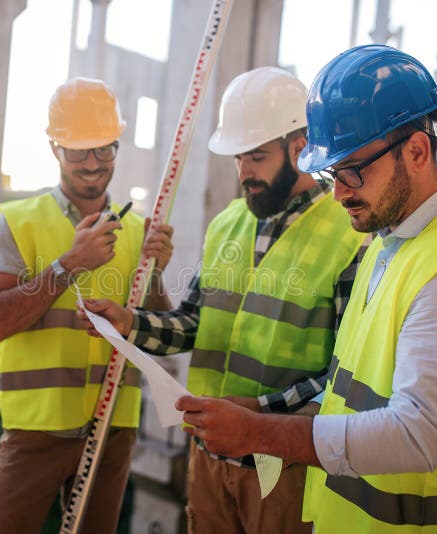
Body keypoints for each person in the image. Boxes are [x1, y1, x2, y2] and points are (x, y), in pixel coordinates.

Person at [177, 45, 437, 533]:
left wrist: (259, 430)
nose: (338, 193)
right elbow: (343, 394)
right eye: (332, 174)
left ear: (417, 151)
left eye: (352, 170)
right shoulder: (389, 245)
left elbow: (416, 435)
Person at [81, 67, 366, 533]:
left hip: (283, 470)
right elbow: (194, 322)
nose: (243, 172)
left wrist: (257, 414)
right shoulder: (228, 223)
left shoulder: (349, 236)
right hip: (210, 458)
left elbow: (345, 379)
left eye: (256, 156)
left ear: (300, 149)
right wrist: (130, 322)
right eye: (238, 158)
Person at [0, 77, 174, 534]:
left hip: (112, 431)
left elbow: (162, 335)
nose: (92, 163)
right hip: (35, 433)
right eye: (78, 151)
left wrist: (158, 271)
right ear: (54, 149)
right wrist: (70, 264)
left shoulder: (139, 232)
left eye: (104, 149)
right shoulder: (18, 223)